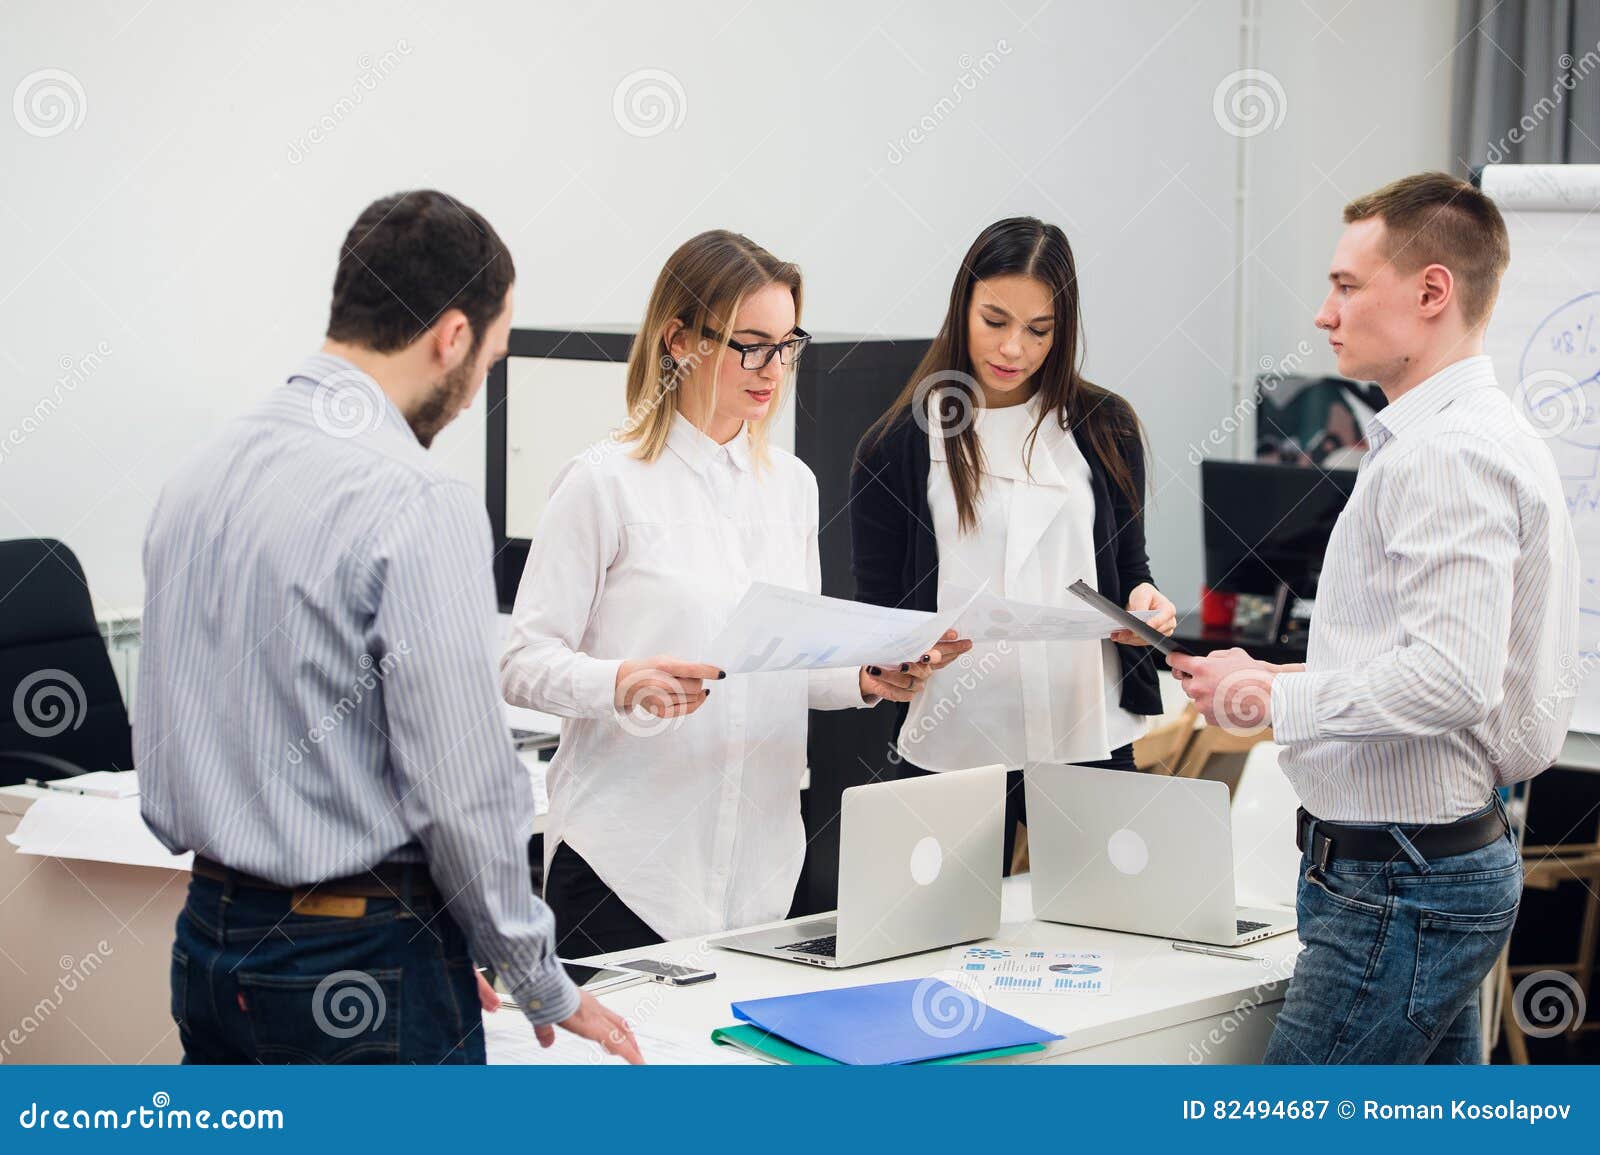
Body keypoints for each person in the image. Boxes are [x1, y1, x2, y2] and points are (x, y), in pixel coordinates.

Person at [137, 190, 640, 1064]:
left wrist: (445, 937)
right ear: (451, 336)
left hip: (212, 941)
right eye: (492, 352)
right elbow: (462, 785)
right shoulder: (416, 497)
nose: (482, 379)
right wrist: (534, 969)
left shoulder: (199, 474)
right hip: (357, 965)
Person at [1170, 171, 1579, 1064]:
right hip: (1420, 866)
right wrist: (1278, 677)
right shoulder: (1472, 434)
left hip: (1402, 881)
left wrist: (1277, 705)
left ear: (1433, 291)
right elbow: (1427, 658)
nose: (1324, 312)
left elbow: (1451, 678)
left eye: (1347, 285)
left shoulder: (1446, 454)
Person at [499, 229, 943, 957]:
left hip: (761, 876)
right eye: (750, 344)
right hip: (626, 874)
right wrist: (620, 681)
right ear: (680, 340)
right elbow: (521, 660)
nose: (773, 368)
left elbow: (788, 664)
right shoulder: (602, 483)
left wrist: (866, 676)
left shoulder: (792, 488)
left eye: (786, 343)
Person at [850, 217, 1176, 872]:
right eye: (994, 319)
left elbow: (1132, 571)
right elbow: (880, 620)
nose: (1013, 349)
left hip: (1086, 729)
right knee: (937, 944)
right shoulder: (898, 446)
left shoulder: (1105, 426)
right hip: (953, 736)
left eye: (1039, 329)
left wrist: (1147, 607)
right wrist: (897, 659)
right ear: (961, 306)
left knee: (1109, 937)